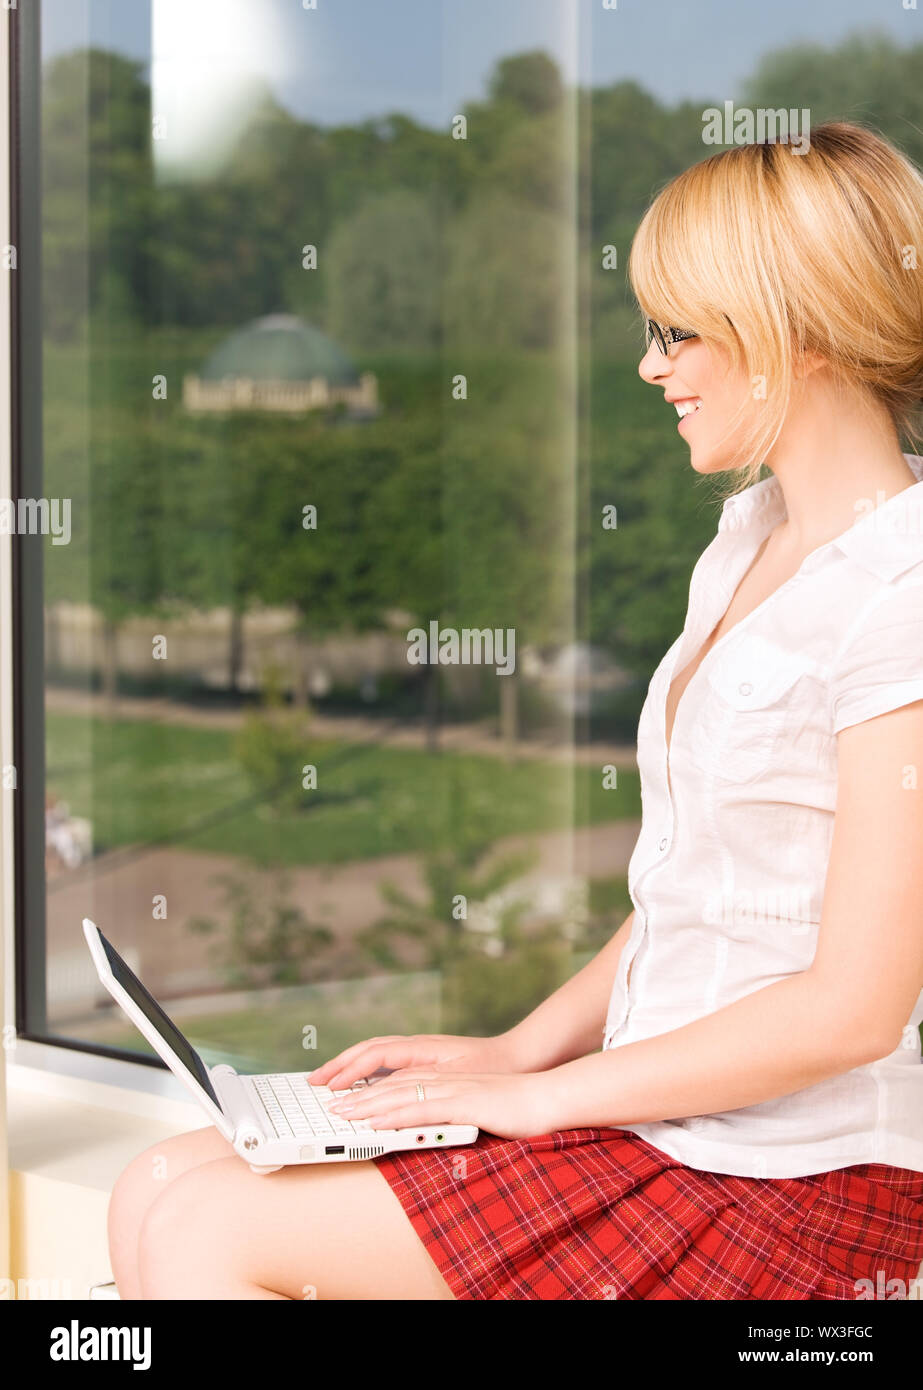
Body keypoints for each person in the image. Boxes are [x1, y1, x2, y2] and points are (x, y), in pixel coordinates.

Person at [107, 121, 923, 1300]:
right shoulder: (746, 543)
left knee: (206, 1233)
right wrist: (511, 1049)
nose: (651, 366)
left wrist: (537, 1099)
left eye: (679, 331)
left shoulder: (898, 591)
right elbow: (704, 899)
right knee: (157, 1185)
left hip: (798, 1182)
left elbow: (850, 1006)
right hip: (678, 1124)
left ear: (798, 332)